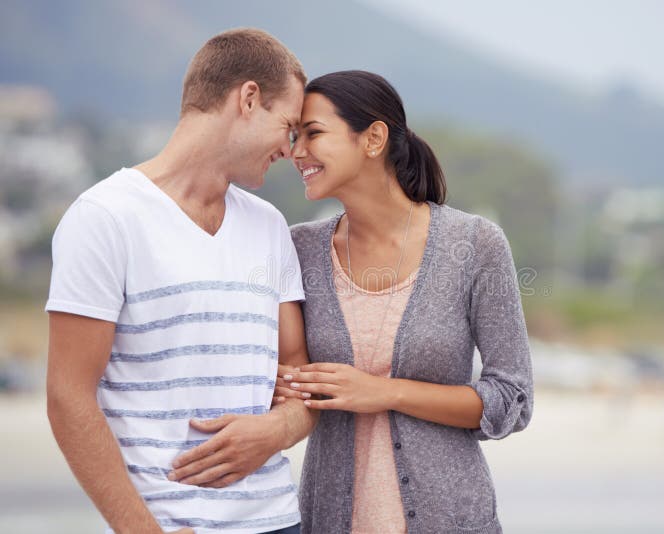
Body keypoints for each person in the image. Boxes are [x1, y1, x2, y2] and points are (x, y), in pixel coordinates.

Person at [45, 28, 315, 534]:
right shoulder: (104, 217)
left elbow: (299, 370)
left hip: (279, 522)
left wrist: (277, 429)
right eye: (289, 125)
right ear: (248, 99)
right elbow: (68, 398)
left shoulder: (270, 226)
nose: (291, 146)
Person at [282, 70, 533, 533]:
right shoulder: (297, 249)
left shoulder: (475, 245)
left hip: (452, 519)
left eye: (313, 134)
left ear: (373, 137)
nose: (296, 152)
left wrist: (385, 393)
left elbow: (512, 399)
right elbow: (285, 378)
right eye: (293, 136)